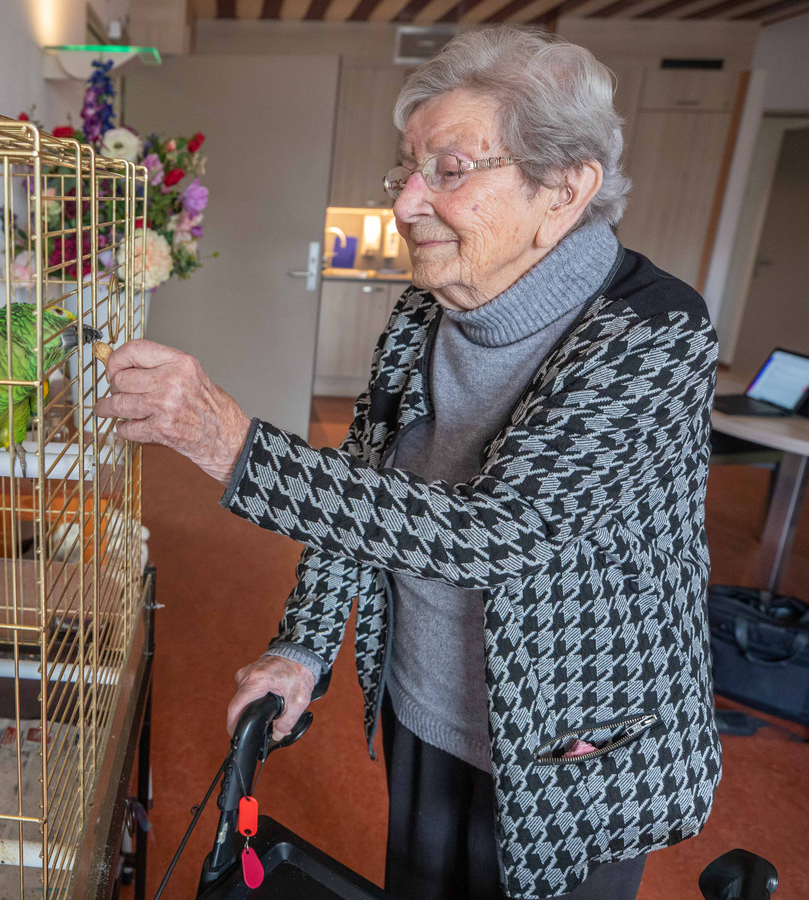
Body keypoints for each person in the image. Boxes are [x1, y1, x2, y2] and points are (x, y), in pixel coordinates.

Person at [94, 26, 722, 900]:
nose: (407, 204)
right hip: (422, 700)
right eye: (407, 170)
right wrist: (301, 650)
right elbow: (364, 487)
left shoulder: (651, 331)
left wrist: (228, 443)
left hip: (575, 734)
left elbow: (498, 533)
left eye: (450, 169)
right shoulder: (424, 311)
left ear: (564, 188)